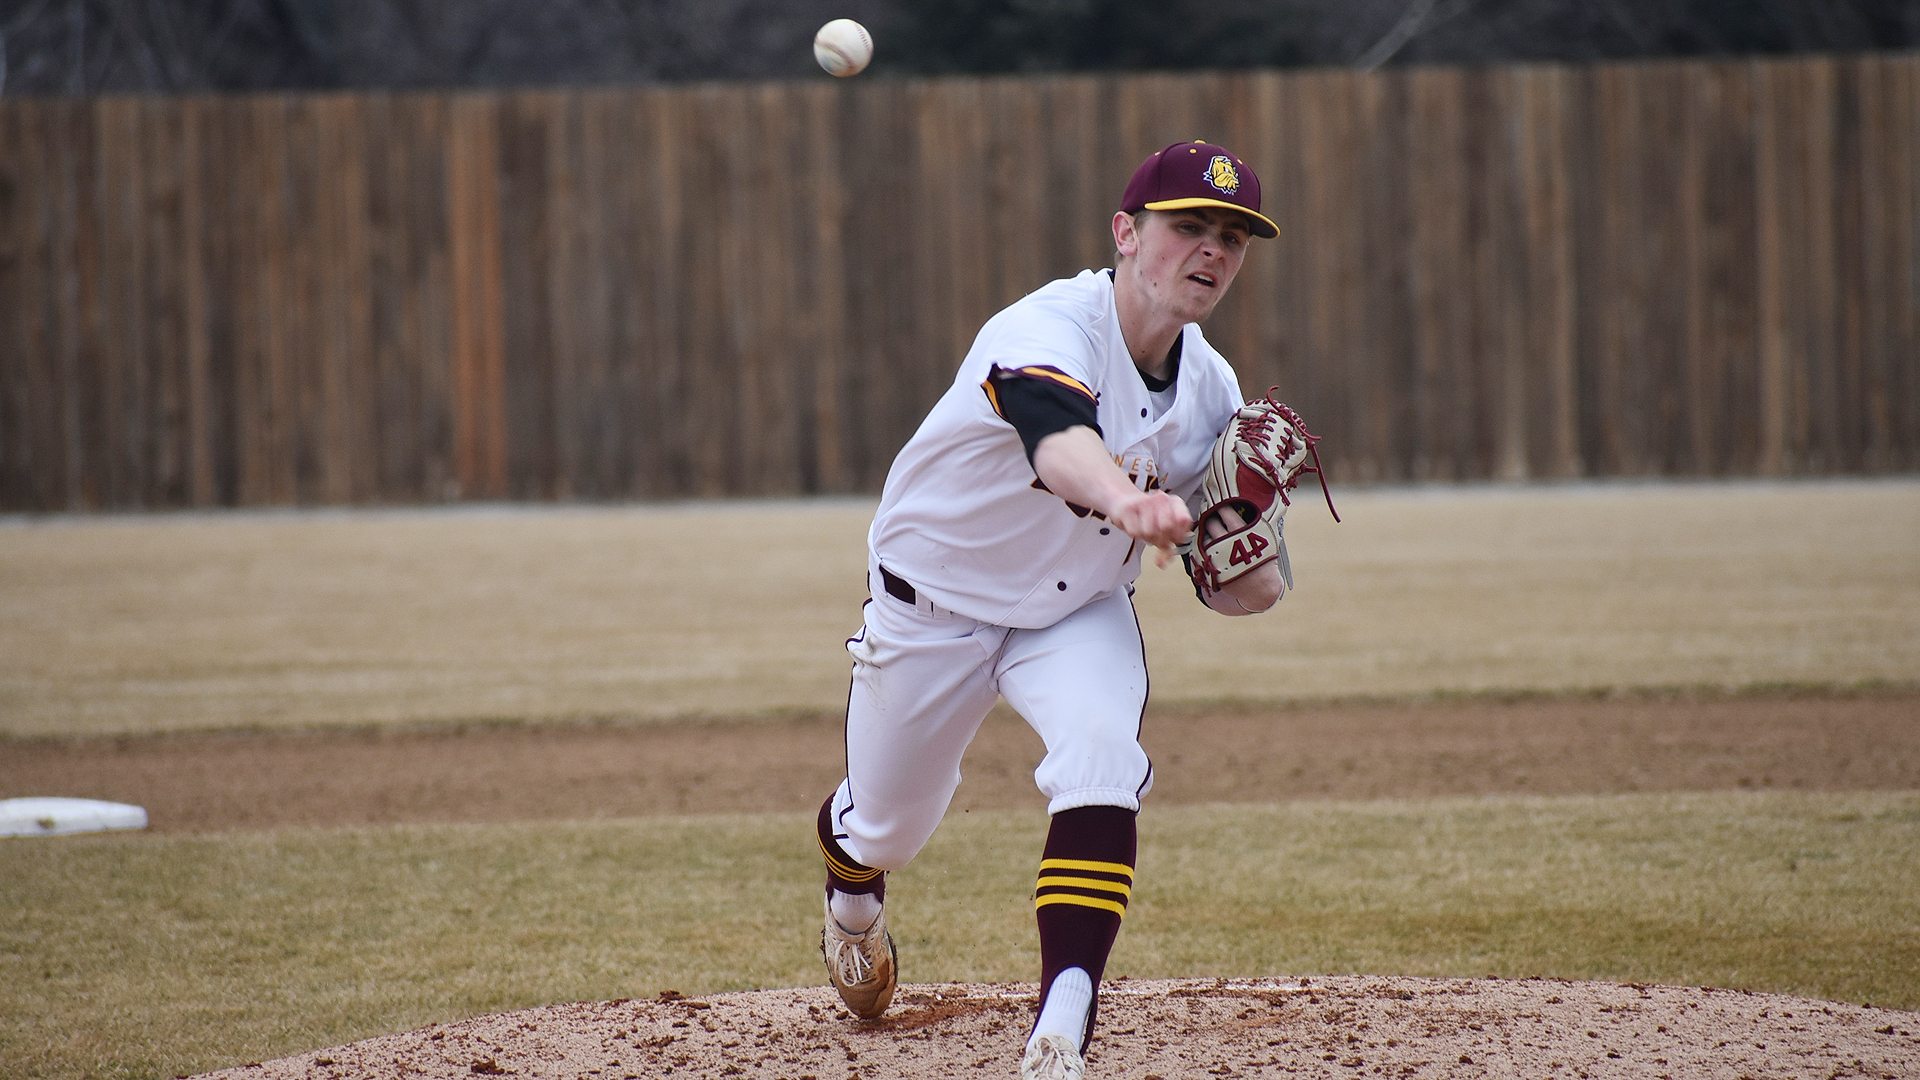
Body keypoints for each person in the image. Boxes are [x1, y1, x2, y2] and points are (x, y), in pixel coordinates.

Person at [815, 140, 1289, 1080]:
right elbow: (1056, 437)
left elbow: (1246, 591)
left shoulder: (1214, 392)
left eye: (1232, 237)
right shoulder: (1045, 328)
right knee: (887, 829)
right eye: (1188, 226)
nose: (1212, 249)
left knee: (1103, 761)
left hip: (1076, 611)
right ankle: (852, 898)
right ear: (1126, 234)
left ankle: (1059, 1029)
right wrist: (1123, 499)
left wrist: (1248, 557)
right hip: (935, 603)